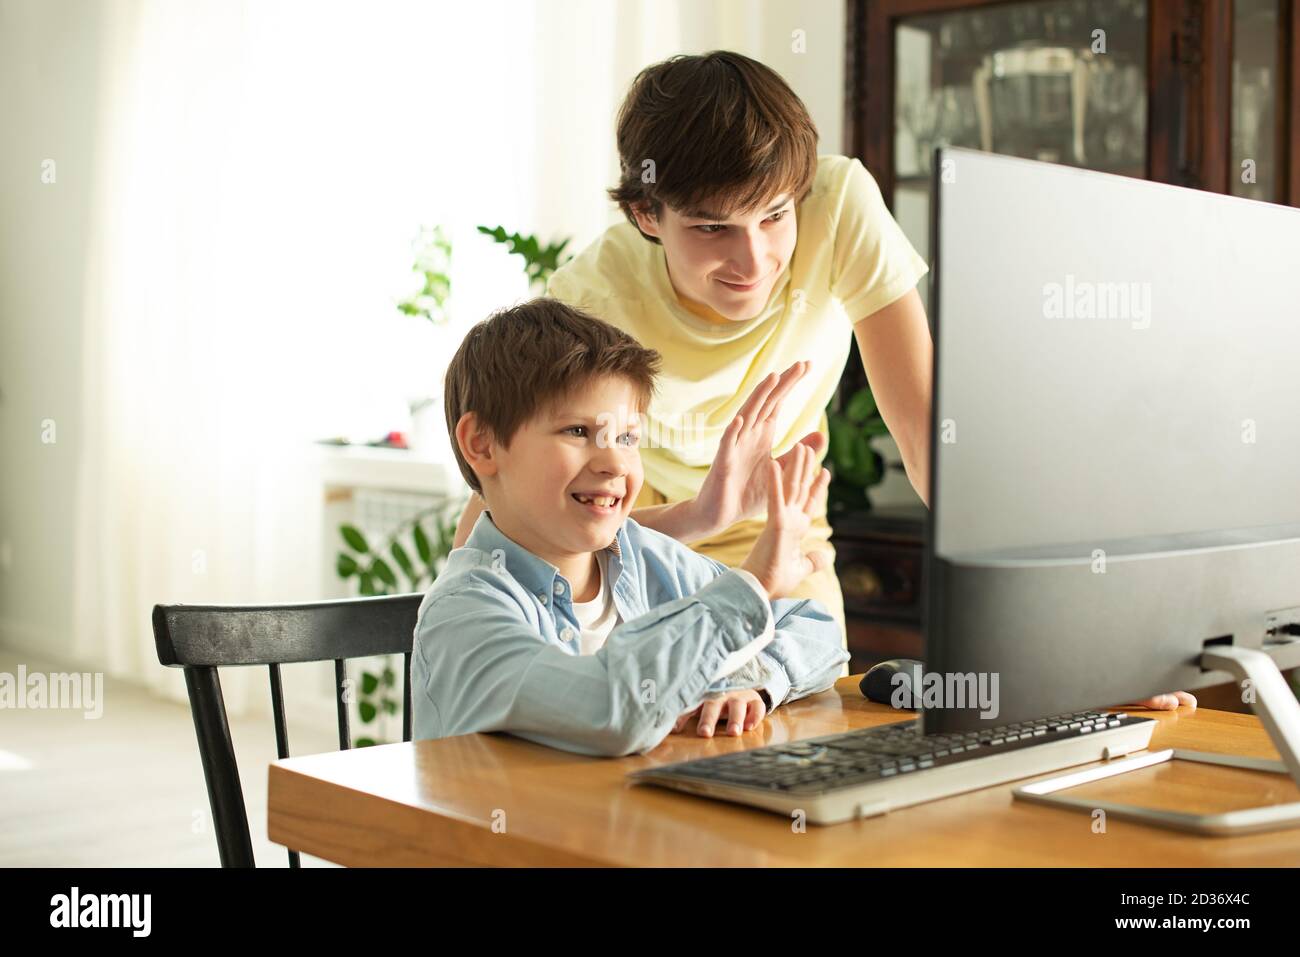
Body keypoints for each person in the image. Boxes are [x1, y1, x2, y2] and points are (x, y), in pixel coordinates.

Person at [413, 299, 849, 755]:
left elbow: (814, 627)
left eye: (627, 438)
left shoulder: (644, 558)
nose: (615, 463)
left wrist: (754, 684)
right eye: (578, 432)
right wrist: (753, 583)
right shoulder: (464, 612)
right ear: (481, 444)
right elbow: (608, 709)